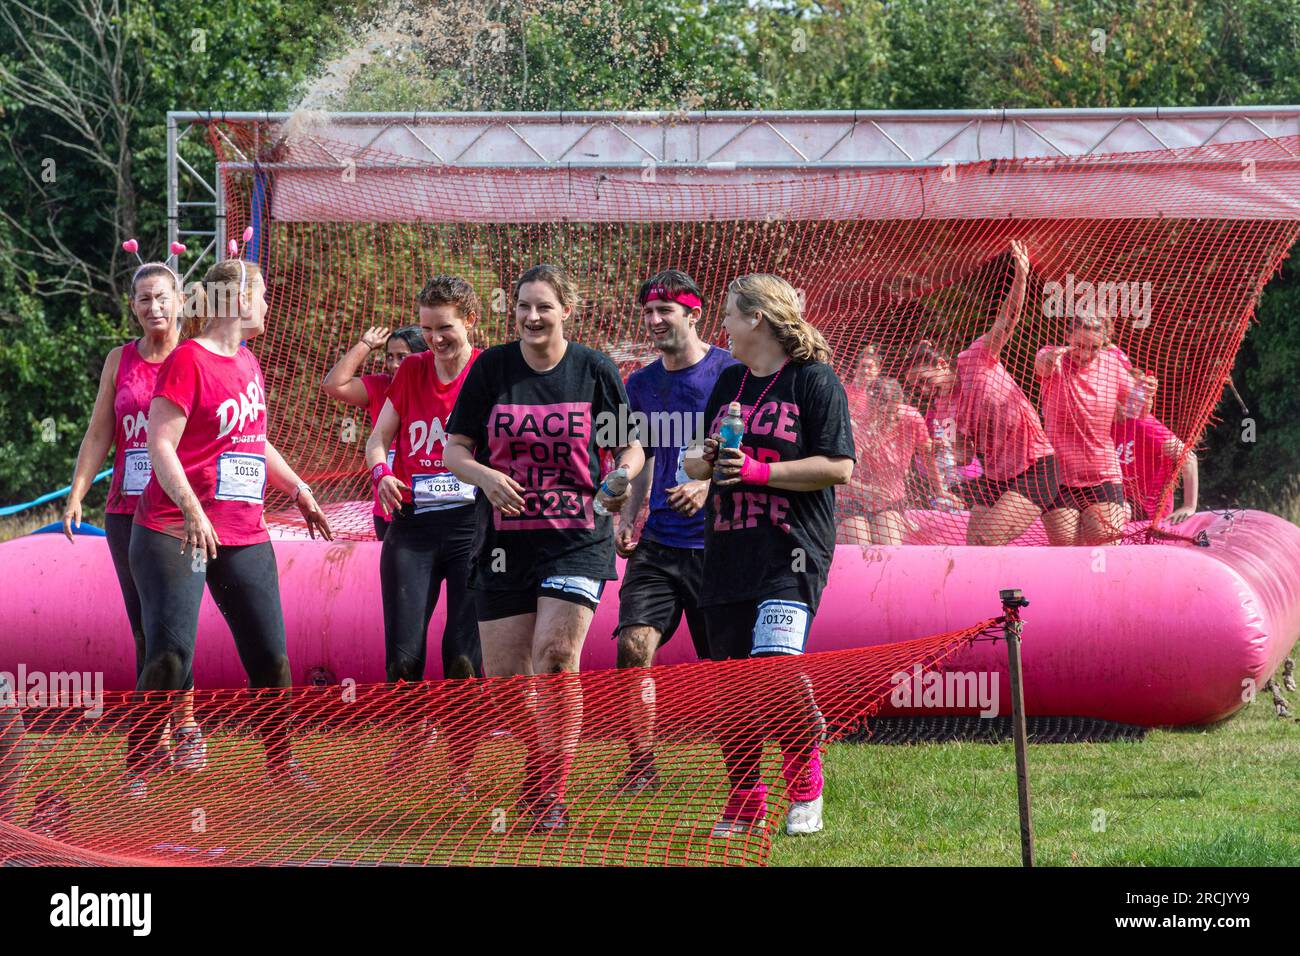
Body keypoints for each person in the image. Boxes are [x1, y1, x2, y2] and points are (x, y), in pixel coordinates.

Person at [444, 263, 645, 832]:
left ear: (567, 311)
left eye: (544, 307)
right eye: (523, 306)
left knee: (556, 656)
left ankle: (548, 789)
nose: (532, 317)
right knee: (508, 683)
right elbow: (455, 451)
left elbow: (630, 449)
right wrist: (483, 476)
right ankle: (539, 761)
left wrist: (619, 480)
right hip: (504, 542)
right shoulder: (492, 368)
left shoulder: (593, 370)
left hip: (576, 537)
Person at [126, 255, 332, 799]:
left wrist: (300, 489)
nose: (267, 305)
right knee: (171, 655)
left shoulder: (248, 363)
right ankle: (140, 767)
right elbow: (160, 445)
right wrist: (193, 510)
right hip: (174, 528)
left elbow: (253, 440)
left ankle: (281, 765)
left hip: (243, 530)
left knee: (271, 657)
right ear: (238, 301)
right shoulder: (188, 361)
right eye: (262, 295)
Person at [685, 273, 855, 838]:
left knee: (776, 671)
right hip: (728, 548)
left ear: (756, 318)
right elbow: (692, 465)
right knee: (731, 684)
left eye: (730, 315)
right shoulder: (730, 382)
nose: (724, 327)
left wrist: (761, 471)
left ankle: (805, 786)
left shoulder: (814, 380)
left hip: (793, 550)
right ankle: (744, 798)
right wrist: (707, 458)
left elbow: (838, 467)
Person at [61, 255, 202, 769]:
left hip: (183, 511)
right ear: (133, 307)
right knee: (144, 624)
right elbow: (100, 430)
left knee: (175, 623)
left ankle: (185, 719)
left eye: (163, 296)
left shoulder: (196, 357)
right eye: (144, 299)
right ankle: (158, 730)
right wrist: (77, 491)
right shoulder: (120, 360)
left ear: (181, 301)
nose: (154, 306)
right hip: (126, 510)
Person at [612, 269, 736, 794]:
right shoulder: (638, 384)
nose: (655, 321)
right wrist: (626, 513)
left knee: (726, 668)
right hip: (660, 543)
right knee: (633, 648)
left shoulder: (731, 372)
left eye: (666, 311)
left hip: (722, 544)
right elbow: (639, 458)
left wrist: (708, 490)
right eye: (648, 312)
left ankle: (742, 770)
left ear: (695, 313)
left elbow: (744, 450)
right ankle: (642, 765)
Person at [366, 278, 484, 784]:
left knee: (460, 653)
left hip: (472, 528)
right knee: (401, 658)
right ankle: (412, 735)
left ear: (471, 323)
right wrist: (383, 473)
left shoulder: (489, 370)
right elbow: (377, 440)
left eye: (447, 328)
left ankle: (461, 753)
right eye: (428, 328)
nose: (436, 339)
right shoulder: (411, 371)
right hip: (412, 526)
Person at [903, 239, 1059, 546]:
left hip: (1036, 467)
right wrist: (947, 452)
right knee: (975, 545)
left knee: (988, 538)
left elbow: (1008, 319)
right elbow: (964, 455)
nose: (922, 389)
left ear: (943, 364)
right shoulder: (944, 408)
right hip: (995, 475)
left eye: (924, 379)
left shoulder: (974, 358)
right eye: (916, 385)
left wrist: (1022, 275)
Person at [1035, 313, 1135, 546]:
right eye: (1079, 346)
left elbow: (1137, 409)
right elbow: (1042, 365)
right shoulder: (1053, 357)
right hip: (1059, 476)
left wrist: (1145, 393)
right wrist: (1053, 357)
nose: (1085, 354)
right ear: (1067, 337)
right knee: (1065, 548)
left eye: (1094, 347)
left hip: (1102, 473)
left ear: (1104, 343)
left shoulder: (1113, 365)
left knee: (1104, 546)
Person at [322, 325, 427, 540]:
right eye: (390, 357)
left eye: (402, 357)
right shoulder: (381, 386)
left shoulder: (437, 388)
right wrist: (366, 345)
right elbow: (333, 385)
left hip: (430, 506)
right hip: (387, 511)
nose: (394, 364)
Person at [843, 376, 959, 545]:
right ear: (871, 405)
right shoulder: (857, 425)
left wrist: (939, 489)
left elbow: (927, 455)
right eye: (884, 413)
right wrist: (864, 489)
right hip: (851, 502)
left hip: (889, 502)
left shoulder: (910, 418)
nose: (891, 418)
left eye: (894, 412)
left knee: (889, 544)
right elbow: (836, 477)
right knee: (860, 542)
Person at [1113, 373, 1198, 523]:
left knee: (1114, 510)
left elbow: (1188, 457)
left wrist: (1189, 506)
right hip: (1119, 498)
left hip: (1148, 507)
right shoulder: (1107, 425)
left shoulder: (1144, 425)